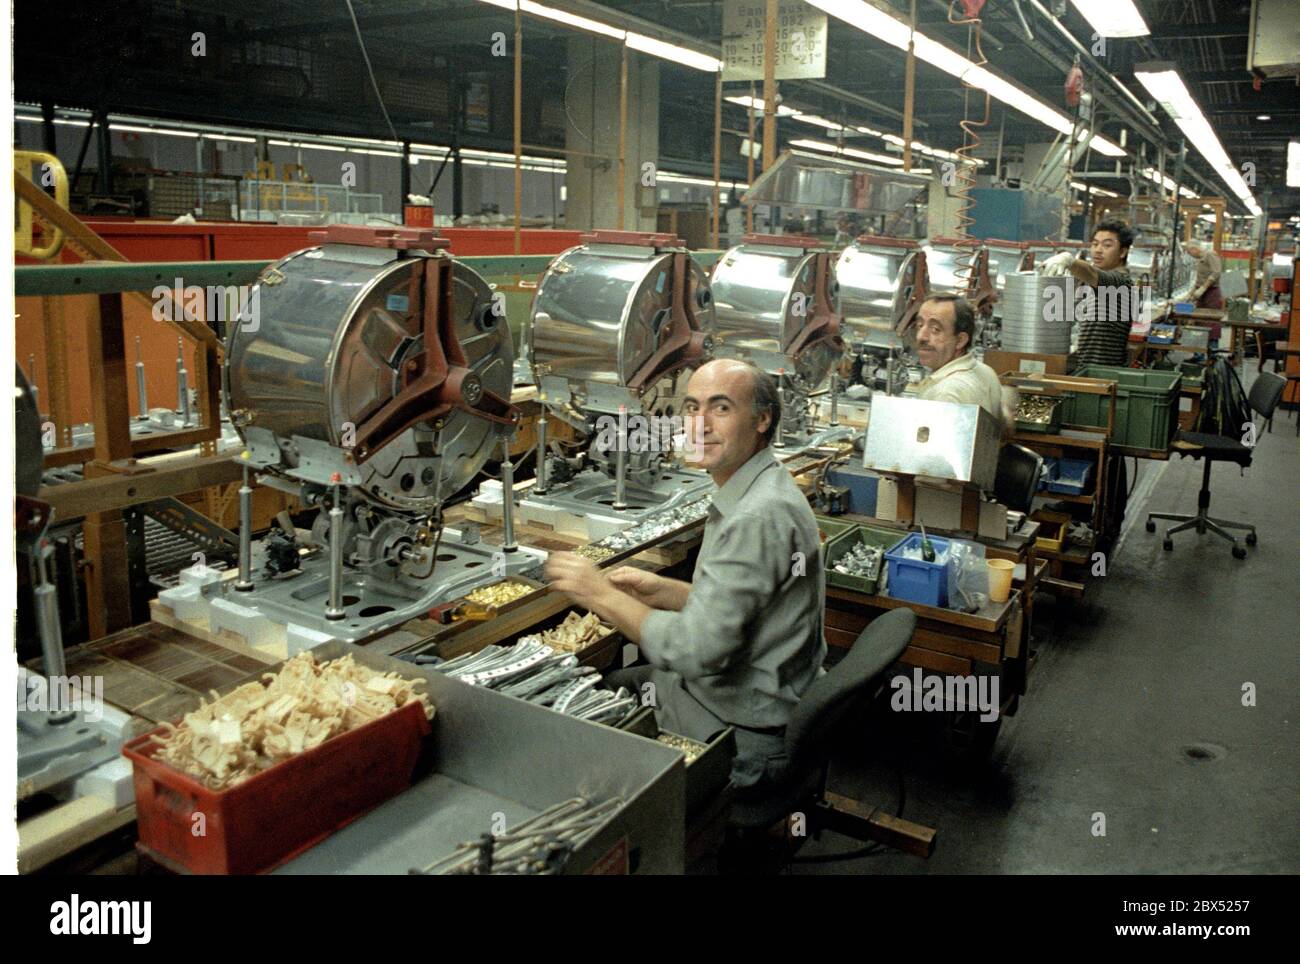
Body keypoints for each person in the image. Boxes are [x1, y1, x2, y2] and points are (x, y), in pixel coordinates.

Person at [545, 359, 826, 788]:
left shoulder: (756, 515)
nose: (700, 424)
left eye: (721, 408)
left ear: (763, 419)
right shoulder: (761, 486)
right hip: (759, 700)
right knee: (613, 680)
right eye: (692, 408)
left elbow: (697, 651)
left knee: (570, 717)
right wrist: (666, 591)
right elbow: (743, 607)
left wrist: (599, 594)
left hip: (743, 737)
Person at [1041, 219, 1137, 371]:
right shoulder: (1094, 284)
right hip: (1087, 369)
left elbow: (1092, 273)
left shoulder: (1122, 283)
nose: (1098, 250)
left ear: (1123, 252)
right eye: (1095, 244)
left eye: (1107, 245)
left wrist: (1069, 260)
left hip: (1104, 373)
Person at [914, 293, 1016, 429]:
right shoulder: (985, 371)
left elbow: (934, 450)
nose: (921, 336)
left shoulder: (946, 394)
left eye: (935, 329)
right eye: (920, 325)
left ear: (960, 340)